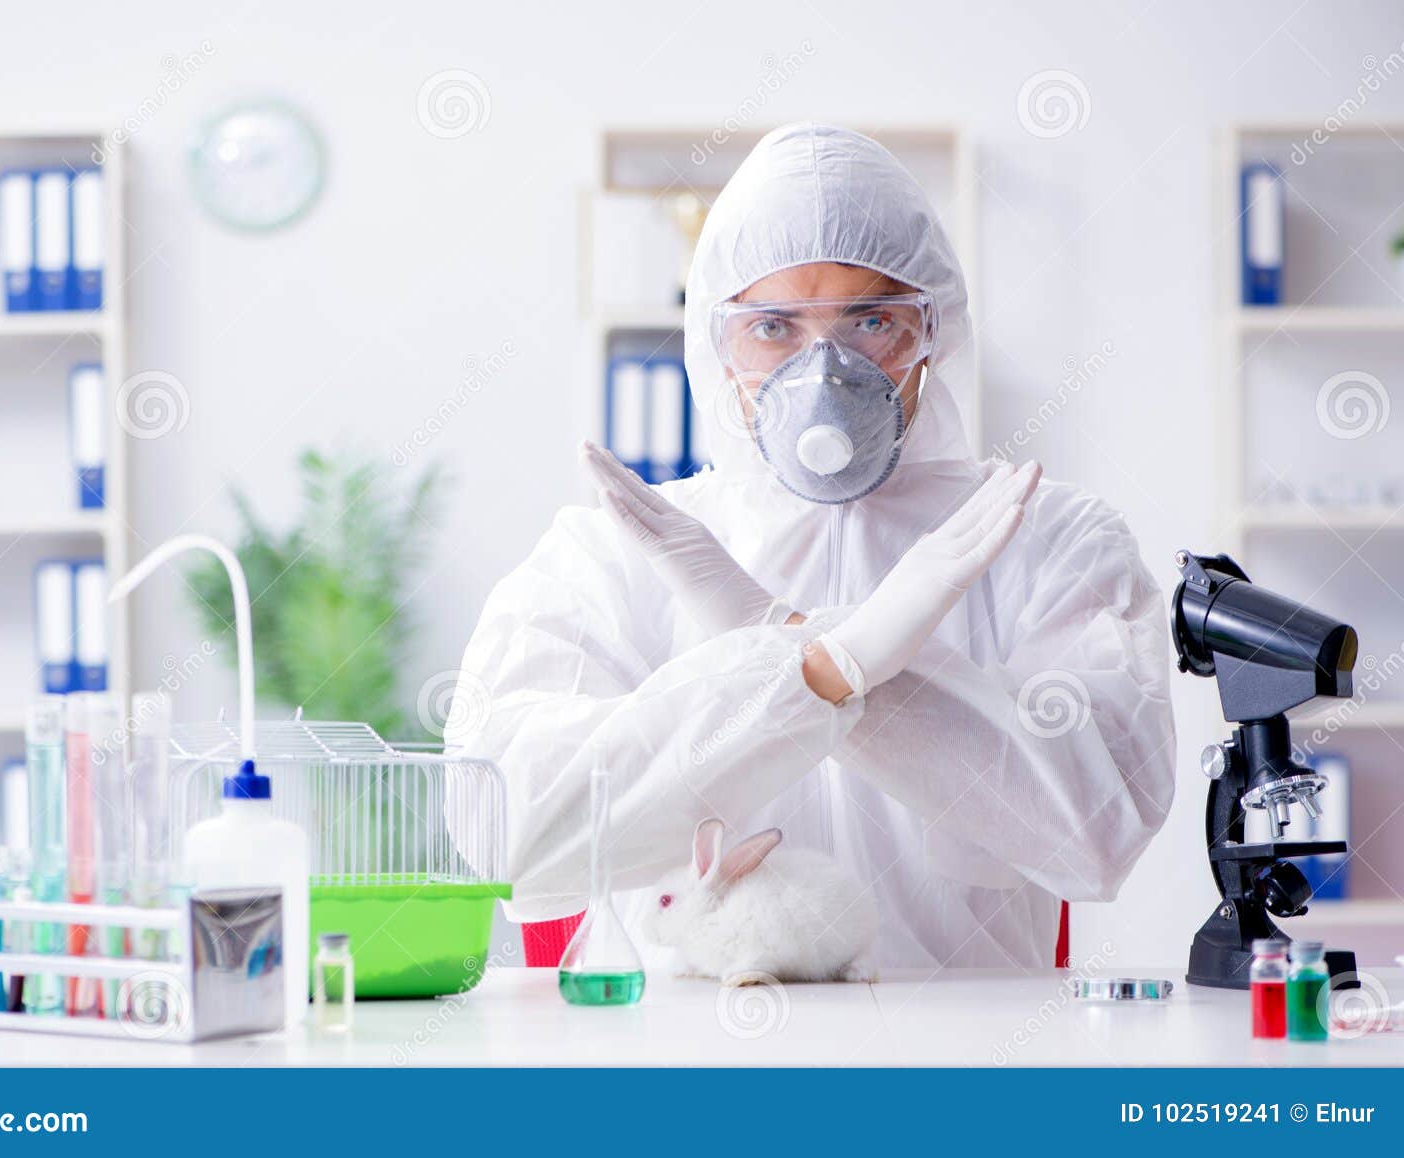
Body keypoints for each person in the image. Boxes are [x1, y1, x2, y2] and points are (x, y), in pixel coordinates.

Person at [447, 123, 1175, 969]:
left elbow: (1098, 831)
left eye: (872, 320)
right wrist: (814, 669)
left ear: (932, 332)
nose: (825, 370)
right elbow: (510, 833)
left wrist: (796, 643)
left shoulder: (1043, 535)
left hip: (962, 1060)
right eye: (774, 328)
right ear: (718, 345)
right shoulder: (617, 550)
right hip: (683, 1066)